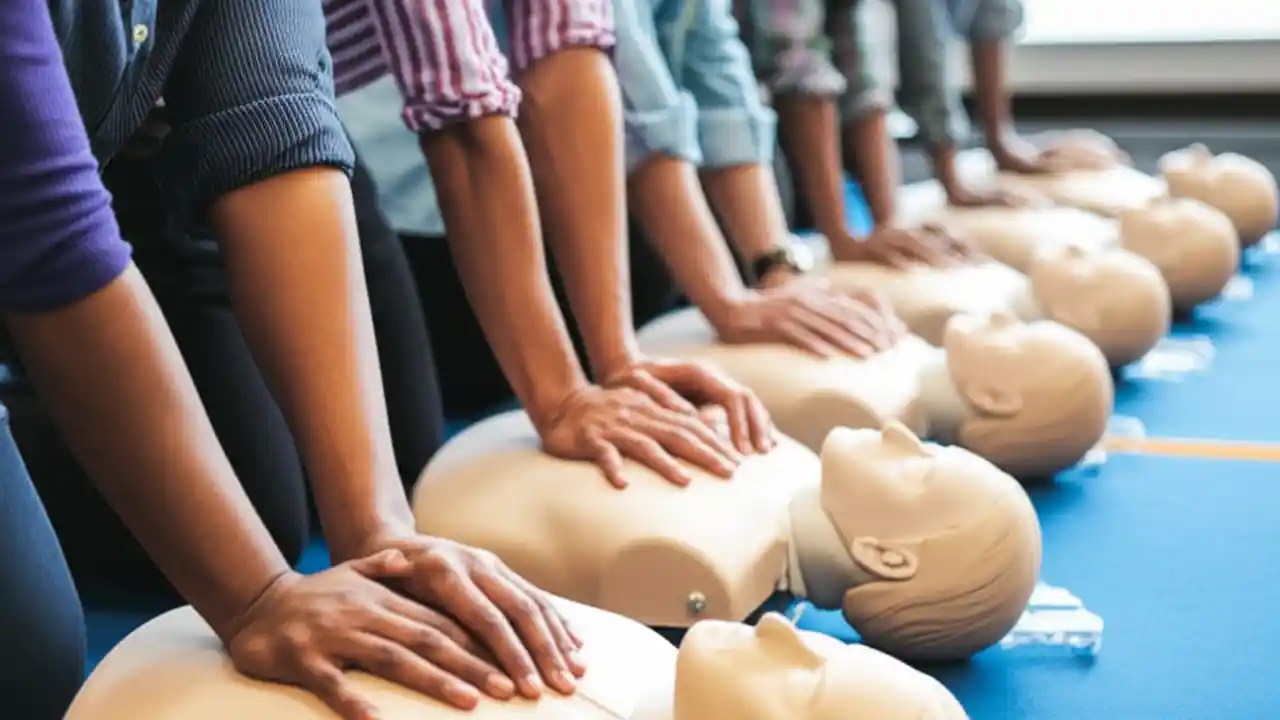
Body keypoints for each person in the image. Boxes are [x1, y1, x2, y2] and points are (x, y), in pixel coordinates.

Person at [2, 0, 610, 716]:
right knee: (26, 665)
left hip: (81, 186)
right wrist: (257, 596)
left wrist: (379, 534)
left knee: (367, 466)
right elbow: (43, 224)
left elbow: (272, 114)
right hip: (39, 212)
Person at [323, 0, 775, 487]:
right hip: (315, 153)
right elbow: (458, 103)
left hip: (451, 142)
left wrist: (619, 360)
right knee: (381, 466)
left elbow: (566, 40)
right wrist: (562, 400)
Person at [609, 0, 910, 357]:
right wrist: (726, 300)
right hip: (587, 204)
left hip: (689, 180)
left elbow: (715, 68)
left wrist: (778, 267)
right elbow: (632, 89)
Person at [741, 0, 1125, 228]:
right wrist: (851, 233)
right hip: (754, 122)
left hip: (815, 96)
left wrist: (1000, 143)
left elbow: (859, 49)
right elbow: (802, 62)